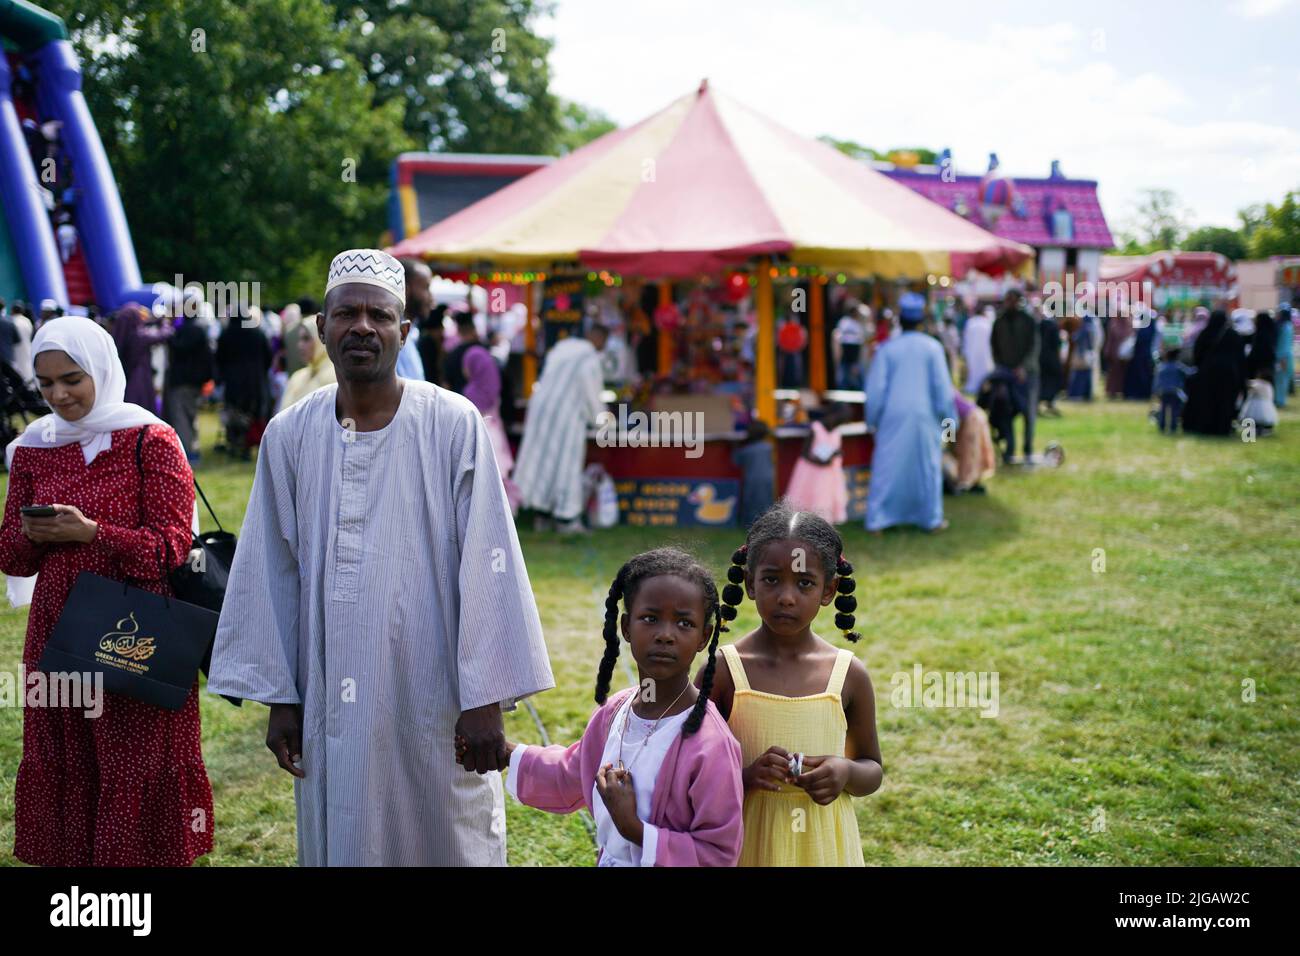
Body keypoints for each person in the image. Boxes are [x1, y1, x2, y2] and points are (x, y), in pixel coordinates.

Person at [206, 248, 553, 866]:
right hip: (329, 689)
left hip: (437, 689)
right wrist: (282, 698)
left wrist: (484, 701)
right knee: (348, 830)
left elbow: (489, 561)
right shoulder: (289, 436)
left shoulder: (451, 423)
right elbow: (269, 573)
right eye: (347, 313)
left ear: (404, 330)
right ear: (322, 329)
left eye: (379, 315)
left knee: (449, 830)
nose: (362, 327)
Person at [0, 316, 211, 865]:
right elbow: (12, 557)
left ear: (100, 369)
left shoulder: (150, 438)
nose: (59, 395)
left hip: (133, 625)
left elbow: (171, 548)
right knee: (67, 755)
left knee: (133, 760)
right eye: (45, 384)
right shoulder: (31, 447)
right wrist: (34, 533)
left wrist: (93, 533)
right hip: (58, 630)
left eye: (72, 378)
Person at [491, 548, 743, 866]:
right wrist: (507, 754)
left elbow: (718, 854)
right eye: (650, 619)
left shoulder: (711, 744)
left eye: (684, 623)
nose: (666, 635)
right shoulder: (615, 713)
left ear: (704, 637)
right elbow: (571, 773)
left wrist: (635, 829)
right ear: (626, 627)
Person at [704, 503, 882, 866]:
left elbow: (872, 769)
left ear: (829, 590)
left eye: (804, 583)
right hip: (747, 843)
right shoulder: (724, 670)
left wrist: (845, 771)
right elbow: (694, 772)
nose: (787, 596)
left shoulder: (848, 675)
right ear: (750, 583)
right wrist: (747, 777)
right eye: (771, 579)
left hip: (822, 847)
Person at [865, 292, 956, 533]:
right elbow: (943, 391)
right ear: (921, 320)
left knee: (887, 466)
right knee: (927, 468)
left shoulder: (887, 349)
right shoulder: (933, 348)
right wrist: (949, 422)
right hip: (925, 416)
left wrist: (871, 419)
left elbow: (875, 391)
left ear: (900, 319)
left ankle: (877, 521)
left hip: (891, 416)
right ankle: (931, 520)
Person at [512, 325, 608, 534]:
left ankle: (541, 514)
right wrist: (603, 421)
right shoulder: (589, 357)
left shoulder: (562, 349)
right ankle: (566, 518)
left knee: (540, 463)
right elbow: (591, 393)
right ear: (599, 339)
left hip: (540, 412)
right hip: (568, 416)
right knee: (566, 466)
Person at [215, 308, 272, 459]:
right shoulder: (257, 332)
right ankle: (249, 446)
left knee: (235, 413)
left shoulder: (226, 334)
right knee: (252, 413)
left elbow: (219, 358)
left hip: (233, 382)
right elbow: (268, 356)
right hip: (255, 381)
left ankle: (234, 443)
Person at [991, 289, 1039, 463]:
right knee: (1006, 412)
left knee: (1029, 413)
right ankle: (1009, 448)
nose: (1010, 303)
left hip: (1028, 375)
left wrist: (1023, 368)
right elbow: (994, 347)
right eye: (1007, 299)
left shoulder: (1028, 321)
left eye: (1013, 300)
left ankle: (1028, 449)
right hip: (1006, 374)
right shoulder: (999, 322)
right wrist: (1003, 369)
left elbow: (1033, 347)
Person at [163, 303, 214, 463]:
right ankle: (194, 449)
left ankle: (187, 453)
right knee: (191, 416)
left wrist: (169, 331)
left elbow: (179, 348)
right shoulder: (201, 329)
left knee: (181, 417)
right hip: (196, 381)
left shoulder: (185, 332)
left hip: (182, 381)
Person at [784, 403, 850, 525]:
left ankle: (823, 525)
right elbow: (804, 453)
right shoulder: (816, 428)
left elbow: (836, 449)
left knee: (825, 500)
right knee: (809, 500)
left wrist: (837, 453)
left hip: (830, 474)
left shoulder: (837, 432)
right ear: (832, 415)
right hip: (811, 473)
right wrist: (818, 462)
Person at [1182, 309, 1245, 436]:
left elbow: (1197, 354)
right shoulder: (1234, 335)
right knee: (1225, 402)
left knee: (1207, 402)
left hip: (1207, 373)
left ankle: (1205, 426)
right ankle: (1222, 428)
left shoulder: (1206, 333)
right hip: (1229, 375)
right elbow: (1240, 357)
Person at [111, 303, 172, 413]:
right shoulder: (138, 337)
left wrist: (155, 321)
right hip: (139, 380)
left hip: (127, 379)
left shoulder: (120, 335)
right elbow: (163, 334)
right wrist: (165, 322)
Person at [277, 320, 336, 412]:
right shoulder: (298, 376)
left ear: (321, 339)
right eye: (299, 339)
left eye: (306, 338)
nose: (300, 345)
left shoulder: (335, 376)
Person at [731, 420, 774, 530]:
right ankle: (767, 525)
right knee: (766, 501)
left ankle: (749, 525)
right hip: (768, 478)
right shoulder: (769, 447)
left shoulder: (746, 450)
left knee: (750, 502)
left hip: (752, 479)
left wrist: (735, 446)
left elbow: (736, 461)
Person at [1123, 310, 1159, 400]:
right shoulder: (1151, 326)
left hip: (1143, 356)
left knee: (1143, 375)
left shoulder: (1145, 328)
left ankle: (1143, 394)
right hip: (1144, 355)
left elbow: (1141, 340)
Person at [1154, 347, 1188, 434]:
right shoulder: (1178, 366)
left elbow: (1157, 381)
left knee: (1163, 410)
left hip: (1163, 391)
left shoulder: (1161, 367)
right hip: (1175, 391)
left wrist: (1155, 391)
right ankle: (1173, 427)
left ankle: (1162, 426)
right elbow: (1188, 373)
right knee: (1174, 410)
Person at [961, 304, 994, 395]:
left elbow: (965, 338)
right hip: (985, 351)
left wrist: (964, 351)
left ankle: (973, 387)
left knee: (973, 370)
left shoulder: (970, 322)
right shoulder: (987, 323)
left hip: (972, 351)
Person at [833, 304, 867, 390]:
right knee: (843, 374)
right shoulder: (844, 322)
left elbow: (861, 339)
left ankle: (862, 393)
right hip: (846, 350)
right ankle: (841, 396)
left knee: (858, 374)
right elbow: (838, 338)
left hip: (855, 350)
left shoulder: (858, 323)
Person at [1038, 307, 1064, 416]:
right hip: (1052, 358)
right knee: (1053, 381)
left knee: (1042, 381)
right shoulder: (1054, 326)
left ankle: (1039, 404)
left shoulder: (1038, 325)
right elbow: (1057, 343)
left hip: (1040, 358)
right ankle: (1050, 403)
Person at [777, 314, 807, 388]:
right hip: (790, 352)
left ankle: (791, 384)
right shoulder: (787, 328)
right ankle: (791, 384)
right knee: (791, 369)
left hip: (791, 352)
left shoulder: (787, 328)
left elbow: (802, 340)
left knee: (792, 369)